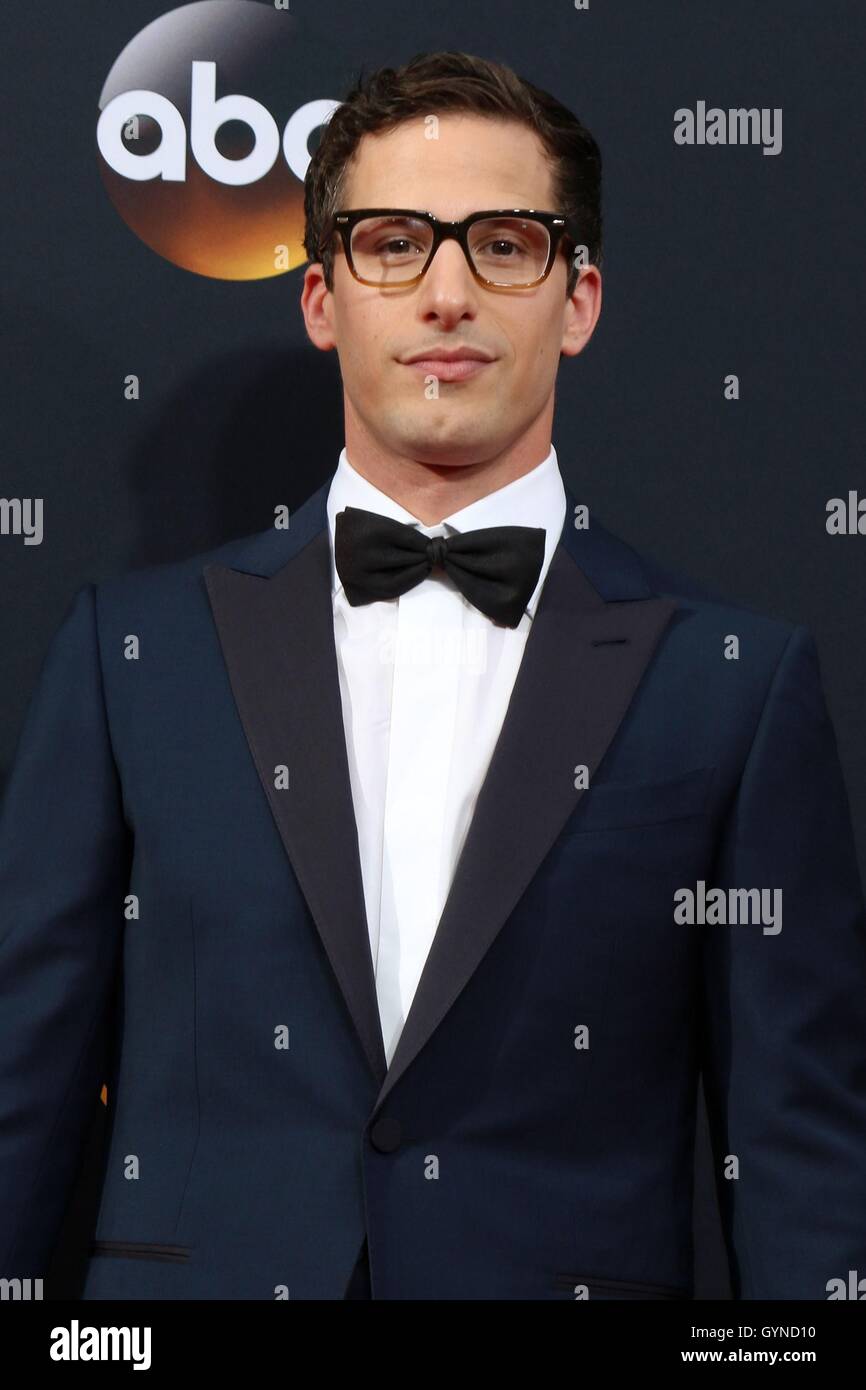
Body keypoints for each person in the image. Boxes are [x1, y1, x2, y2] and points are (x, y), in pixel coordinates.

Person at [1, 50, 865, 1302]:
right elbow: (23, 1086)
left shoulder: (729, 682)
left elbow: (795, 1153)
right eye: (394, 242)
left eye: (504, 244)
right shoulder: (132, 655)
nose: (446, 294)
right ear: (320, 296)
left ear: (577, 300)